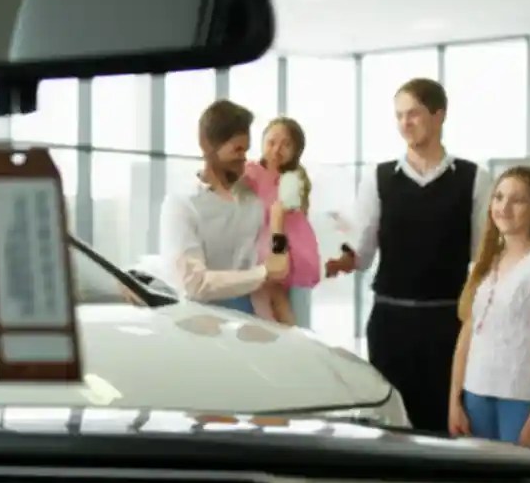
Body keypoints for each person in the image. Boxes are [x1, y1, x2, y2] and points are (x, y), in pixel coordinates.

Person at [324, 78, 493, 434]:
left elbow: (482, 258)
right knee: (392, 424)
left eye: (413, 114)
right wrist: (340, 260)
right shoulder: (379, 176)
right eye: (399, 116)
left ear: (439, 115)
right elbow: (363, 249)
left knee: (444, 424)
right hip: (391, 321)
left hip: (448, 320)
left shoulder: (475, 179)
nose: (405, 123)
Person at [448, 166, 530, 450]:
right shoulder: (483, 264)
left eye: (517, 200)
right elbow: (466, 338)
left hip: (521, 399)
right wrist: (454, 400)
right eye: (499, 197)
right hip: (475, 395)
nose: (504, 207)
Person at [159, 100, 288, 313]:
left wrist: (279, 255)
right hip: (201, 322)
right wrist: (263, 273)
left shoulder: (253, 201)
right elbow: (193, 284)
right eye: (237, 150)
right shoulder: (182, 204)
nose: (243, 159)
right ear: (209, 147)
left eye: (245, 151)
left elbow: (276, 244)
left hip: (254, 318)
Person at [242, 117, 321, 326]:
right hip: (268, 246)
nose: (277, 149)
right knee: (270, 296)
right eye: (271, 142)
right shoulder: (251, 172)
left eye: (286, 144)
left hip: (289, 247)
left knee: (280, 299)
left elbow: (291, 215)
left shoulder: (293, 178)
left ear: (296, 150)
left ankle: (294, 342)